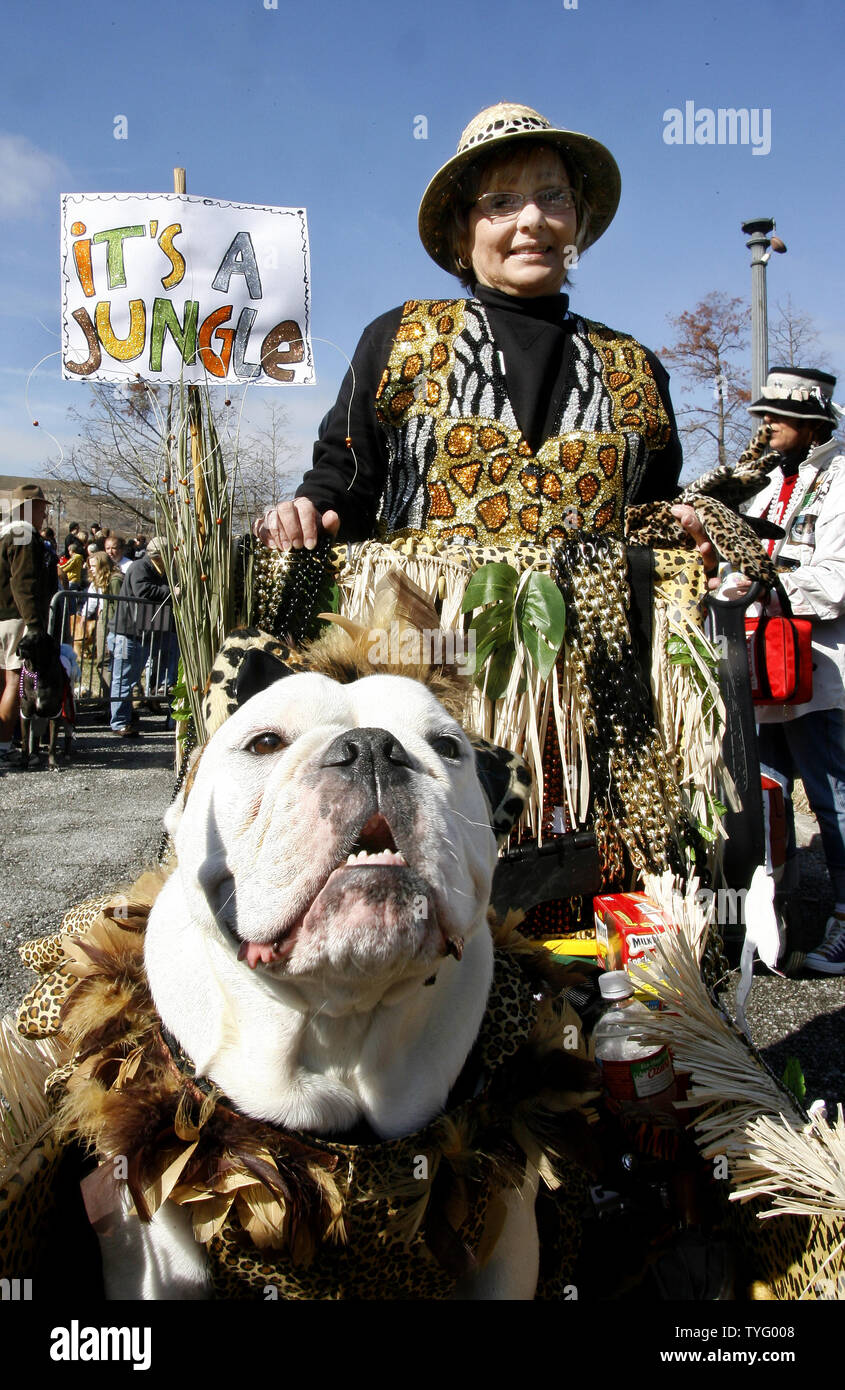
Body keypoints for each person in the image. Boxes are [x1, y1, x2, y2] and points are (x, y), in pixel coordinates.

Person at [254, 102, 716, 933]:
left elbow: (651, 509)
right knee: (435, 892)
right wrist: (308, 509)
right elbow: (344, 478)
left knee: (593, 900)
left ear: (578, 221)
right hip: (428, 666)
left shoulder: (634, 369)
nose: (531, 220)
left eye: (552, 198)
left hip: (589, 690)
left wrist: (686, 528)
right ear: (463, 230)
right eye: (500, 204)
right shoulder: (399, 339)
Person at [727, 368, 845, 973]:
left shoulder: (841, 480)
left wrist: (763, 583)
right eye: (762, 414)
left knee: (834, 804)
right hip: (764, 671)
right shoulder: (766, 486)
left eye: (776, 415)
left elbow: (837, 582)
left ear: (813, 422)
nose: (765, 424)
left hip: (820, 674)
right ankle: (777, 916)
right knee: (766, 796)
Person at [0, 483, 57, 766]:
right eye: (42, 509)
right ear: (29, 507)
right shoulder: (22, 532)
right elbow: (24, 582)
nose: (44, 516)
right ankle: (4, 746)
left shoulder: (4, 532)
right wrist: (34, 624)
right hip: (15, 617)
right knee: (15, 682)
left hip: (3, 616)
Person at [109, 536, 176, 737]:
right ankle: (119, 722)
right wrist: (171, 591)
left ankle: (128, 715)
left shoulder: (162, 570)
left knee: (134, 676)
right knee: (124, 677)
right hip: (128, 632)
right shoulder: (140, 567)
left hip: (148, 631)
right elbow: (143, 591)